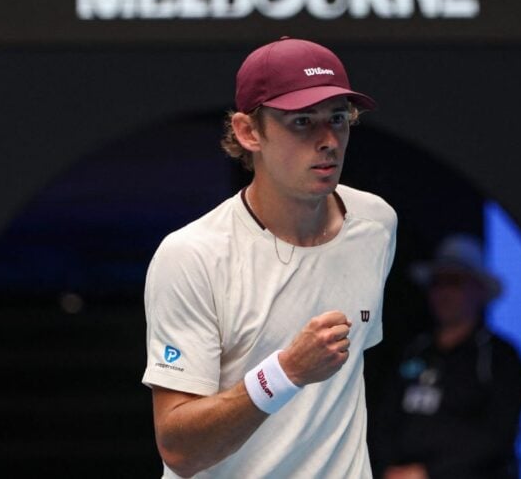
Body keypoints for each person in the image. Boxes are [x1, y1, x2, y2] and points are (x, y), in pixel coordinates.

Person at [141, 37, 398, 478]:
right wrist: (285, 373)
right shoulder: (191, 255)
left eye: (338, 119)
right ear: (247, 131)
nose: (328, 140)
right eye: (301, 121)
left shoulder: (376, 224)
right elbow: (180, 451)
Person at [375, 234, 521, 479]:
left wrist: (428, 473)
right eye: (437, 282)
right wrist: (389, 468)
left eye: (454, 282)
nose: (444, 292)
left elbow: (498, 435)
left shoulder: (499, 358)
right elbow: (384, 419)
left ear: (478, 290)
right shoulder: (415, 350)